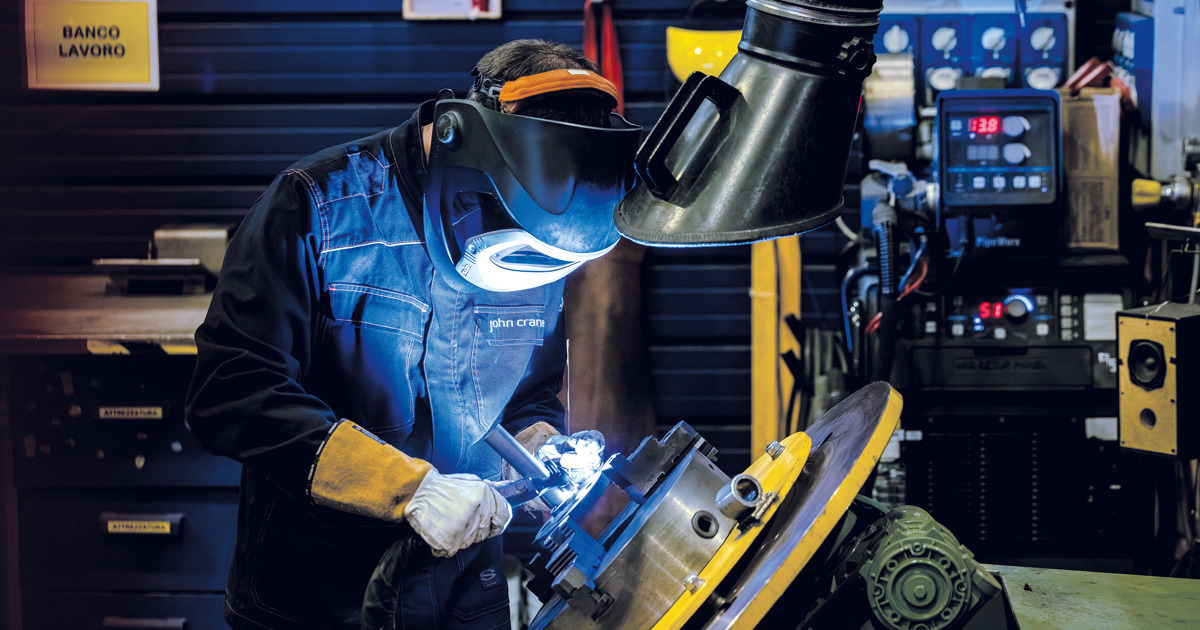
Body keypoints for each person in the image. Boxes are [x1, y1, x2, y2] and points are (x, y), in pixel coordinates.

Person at [184, 39, 641, 630]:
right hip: (318, 598)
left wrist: (540, 447)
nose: (535, 265)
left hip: (461, 595)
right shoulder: (319, 206)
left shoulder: (543, 241)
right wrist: (408, 488)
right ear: (467, 141)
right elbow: (231, 390)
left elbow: (526, 397)